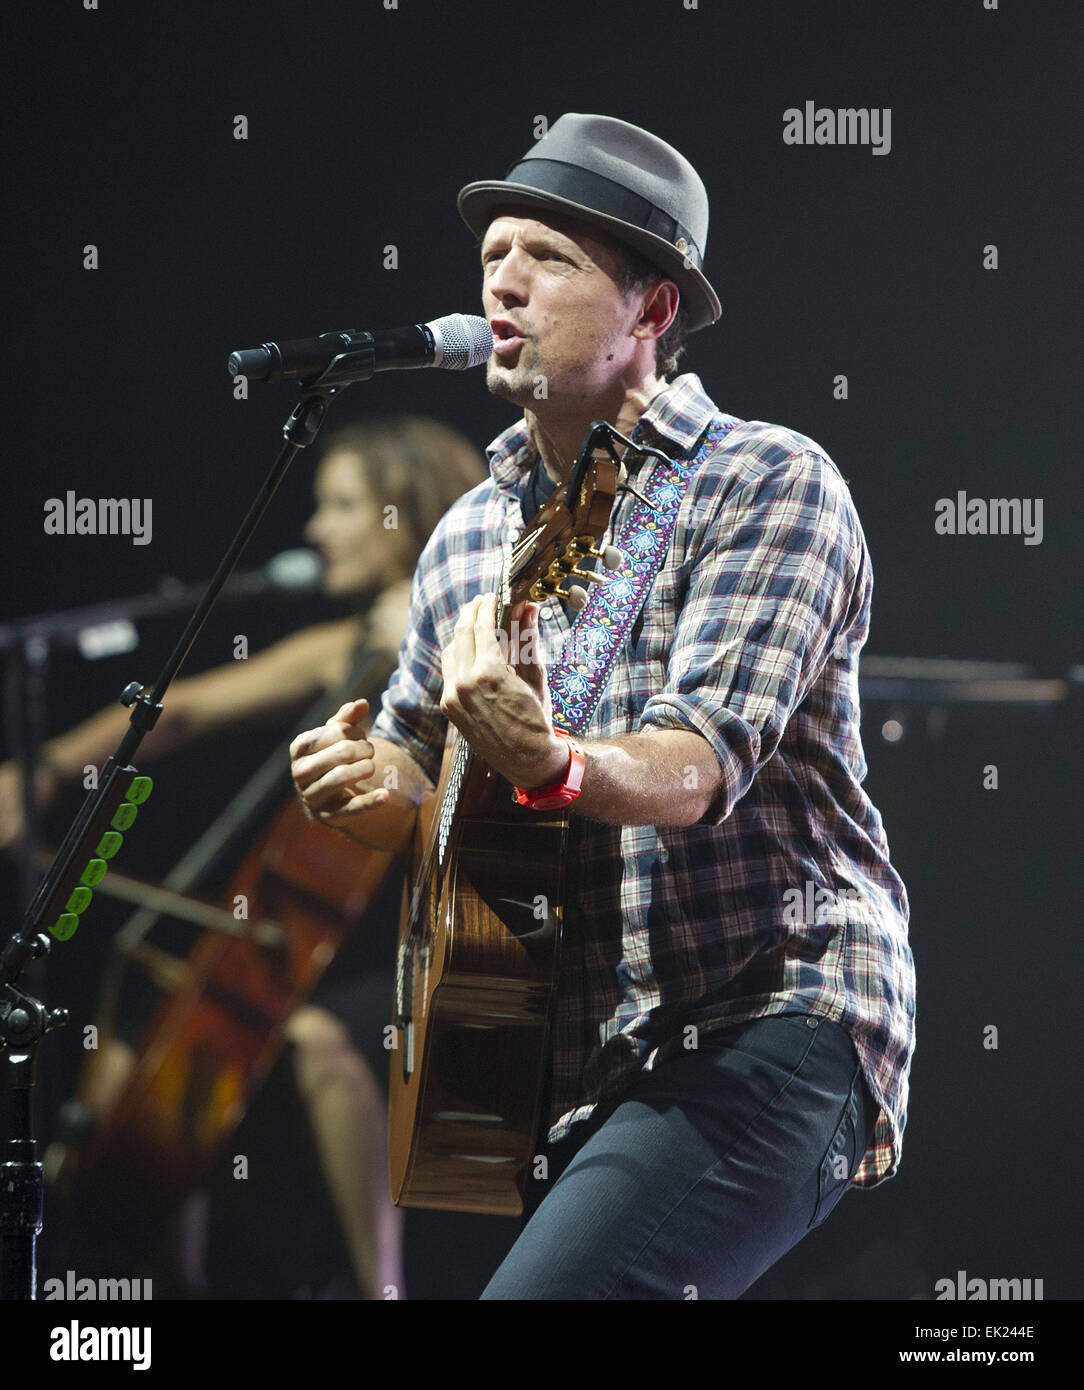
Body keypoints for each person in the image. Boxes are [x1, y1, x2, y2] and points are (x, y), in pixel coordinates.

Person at [289, 113, 916, 1300]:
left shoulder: (767, 482)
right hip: (555, 1063)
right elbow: (415, 774)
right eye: (494, 258)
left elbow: (696, 765)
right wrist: (367, 787)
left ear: (653, 310)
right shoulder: (471, 531)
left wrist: (552, 761)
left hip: (768, 1024)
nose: (504, 281)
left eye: (552, 258)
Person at [2, 416, 488, 1298]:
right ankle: (151, 1280)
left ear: (403, 511)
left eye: (342, 506)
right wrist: (37, 776)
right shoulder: (343, 644)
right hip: (322, 936)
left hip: (433, 938)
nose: (316, 530)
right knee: (155, 1026)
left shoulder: (475, 634)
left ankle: (384, 1290)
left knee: (312, 1036)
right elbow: (177, 708)